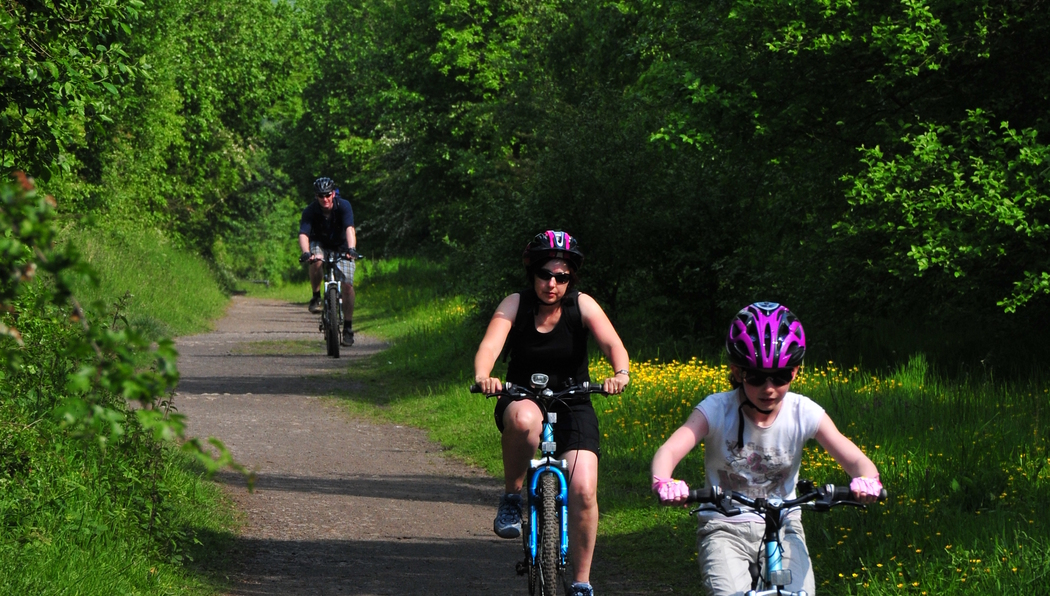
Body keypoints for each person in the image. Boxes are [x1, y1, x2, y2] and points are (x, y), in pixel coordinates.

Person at [650, 302, 882, 596]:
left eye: (780, 376)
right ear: (737, 372)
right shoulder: (716, 409)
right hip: (724, 526)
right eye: (756, 377)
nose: (768, 388)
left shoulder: (804, 412)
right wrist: (664, 481)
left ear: (795, 372)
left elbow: (857, 460)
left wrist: (866, 480)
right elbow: (668, 451)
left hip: (784, 524)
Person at [473, 230, 630, 596]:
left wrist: (619, 374)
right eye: (545, 274)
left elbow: (612, 344)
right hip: (522, 396)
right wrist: (484, 377)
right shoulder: (516, 304)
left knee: (584, 490)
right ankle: (513, 496)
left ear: (570, 279)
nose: (552, 283)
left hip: (573, 402)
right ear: (533, 274)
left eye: (561, 277)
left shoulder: (582, 305)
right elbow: (490, 345)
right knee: (525, 421)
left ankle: (581, 582)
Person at [298, 176, 357, 347]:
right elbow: (304, 234)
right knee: (316, 261)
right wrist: (306, 252)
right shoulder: (310, 211)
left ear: (333, 194)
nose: (325, 199)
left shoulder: (344, 206)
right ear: (316, 196)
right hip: (320, 243)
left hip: (342, 245)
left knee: (347, 285)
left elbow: (349, 228)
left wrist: (351, 249)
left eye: (327, 195)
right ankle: (316, 296)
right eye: (320, 196)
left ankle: (347, 327)